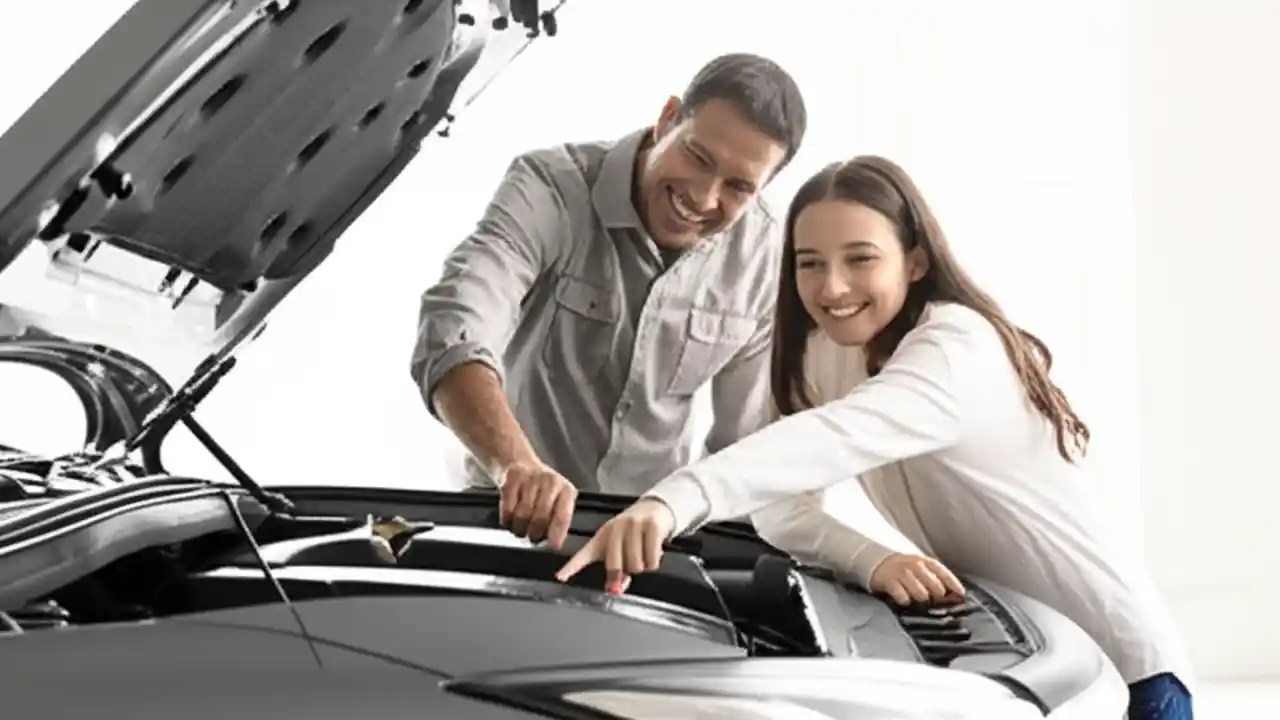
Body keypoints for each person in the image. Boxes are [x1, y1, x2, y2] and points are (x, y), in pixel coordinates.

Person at [556, 156, 1195, 719]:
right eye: (810, 263)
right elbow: (781, 504)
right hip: (1024, 660)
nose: (832, 288)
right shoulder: (822, 353)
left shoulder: (956, 347)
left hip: (1124, 674)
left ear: (915, 260)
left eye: (860, 259)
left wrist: (670, 502)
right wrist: (872, 559)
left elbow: (828, 439)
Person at [410, 53, 807, 550]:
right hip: (505, 518)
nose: (705, 198)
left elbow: (744, 451)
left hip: (644, 544)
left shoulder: (765, 259)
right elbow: (456, 327)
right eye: (699, 158)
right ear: (668, 119)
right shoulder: (551, 186)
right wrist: (517, 467)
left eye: (739, 187)